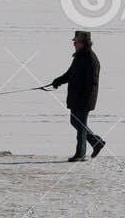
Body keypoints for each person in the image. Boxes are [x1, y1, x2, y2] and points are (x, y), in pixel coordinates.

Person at [45, 30, 105, 162]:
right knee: (75, 122)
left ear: (84, 43)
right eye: (74, 42)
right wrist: (57, 81)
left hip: (84, 99)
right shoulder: (79, 56)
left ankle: (80, 154)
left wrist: (86, 99)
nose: (74, 44)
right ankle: (96, 142)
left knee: (80, 125)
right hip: (76, 97)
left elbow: (92, 82)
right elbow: (70, 74)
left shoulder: (90, 59)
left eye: (76, 42)